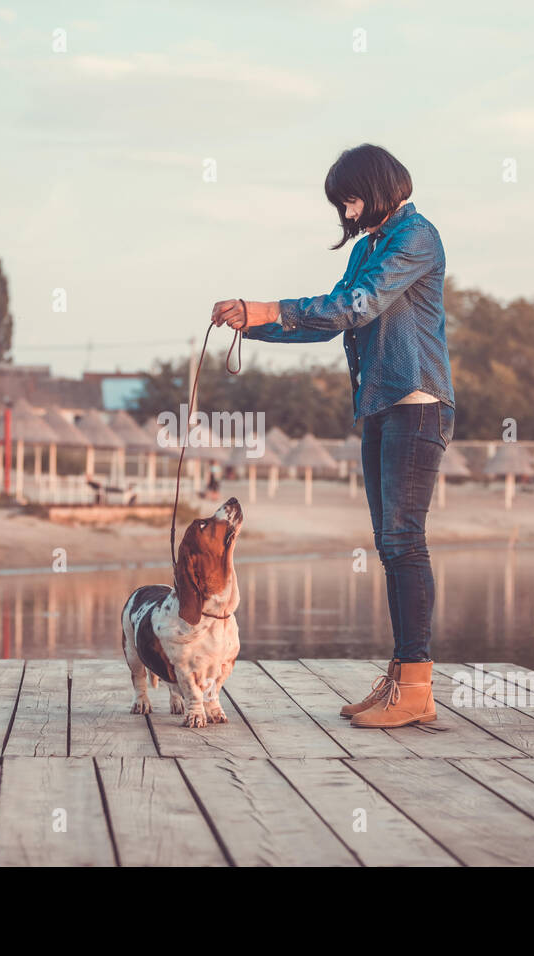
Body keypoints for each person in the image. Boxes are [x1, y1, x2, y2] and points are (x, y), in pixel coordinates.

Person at [210, 144, 454, 729]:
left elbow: (357, 307)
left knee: (404, 541)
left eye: (350, 197)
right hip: (379, 404)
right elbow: (330, 324)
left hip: (416, 402)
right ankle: (402, 678)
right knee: (391, 544)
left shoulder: (416, 236)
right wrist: (256, 324)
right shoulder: (372, 245)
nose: (345, 211)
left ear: (380, 187)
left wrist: (270, 308)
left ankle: (417, 687)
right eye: (340, 202)